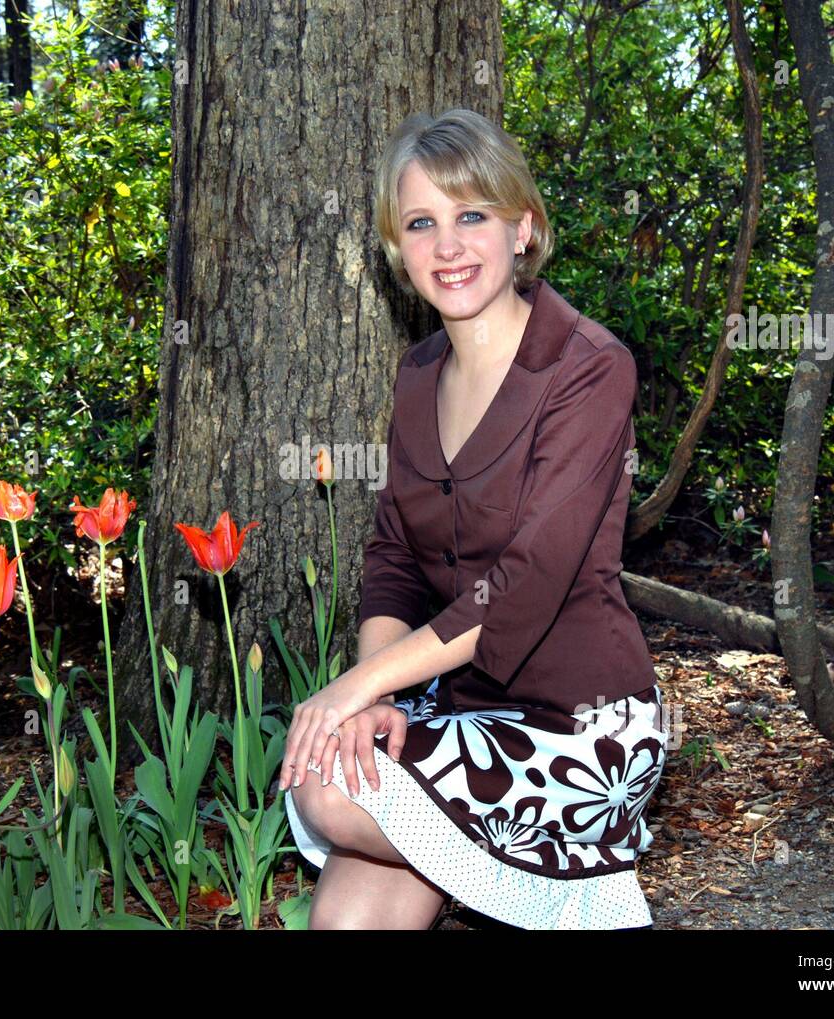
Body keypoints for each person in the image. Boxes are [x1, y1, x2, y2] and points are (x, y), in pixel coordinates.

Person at [280, 108, 667, 930]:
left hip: (583, 724)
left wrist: (352, 689)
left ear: (522, 228)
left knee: (327, 782)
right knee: (343, 919)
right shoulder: (419, 376)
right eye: (421, 222)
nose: (447, 246)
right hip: (461, 707)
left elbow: (523, 585)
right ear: (398, 247)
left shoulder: (589, 367)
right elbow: (392, 556)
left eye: (471, 216)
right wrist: (379, 697)